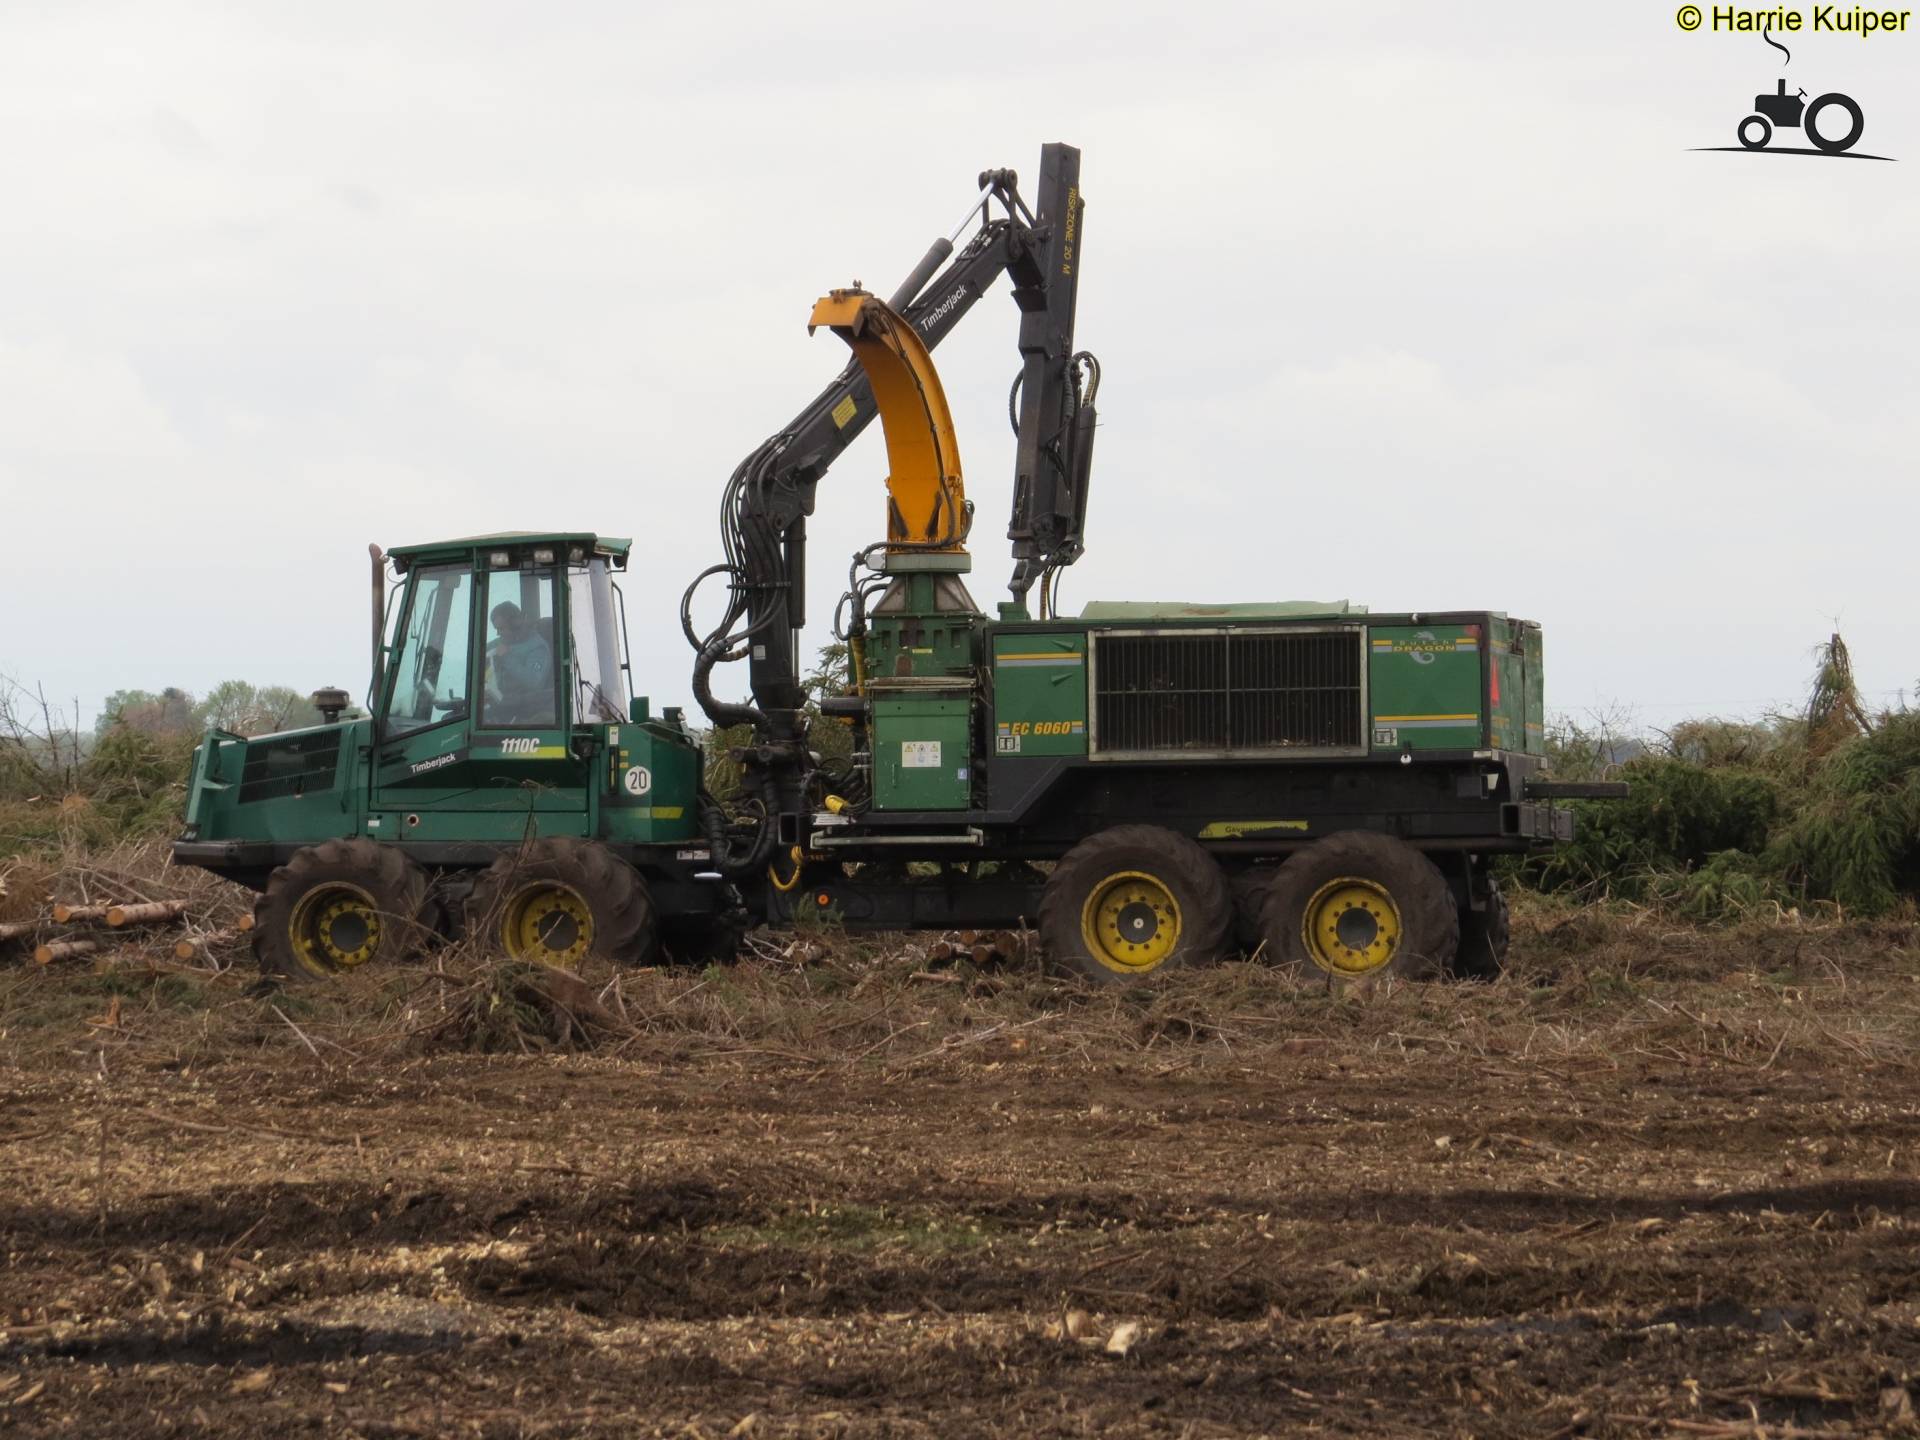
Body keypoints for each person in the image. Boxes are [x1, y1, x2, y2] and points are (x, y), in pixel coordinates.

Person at [486, 602, 553, 723]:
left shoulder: (537, 647)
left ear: (515, 624)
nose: (498, 633)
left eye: (501, 628)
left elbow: (534, 682)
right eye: (496, 629)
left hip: (526, 711)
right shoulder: (497, 644)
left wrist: (506, 658)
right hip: (500, 706)